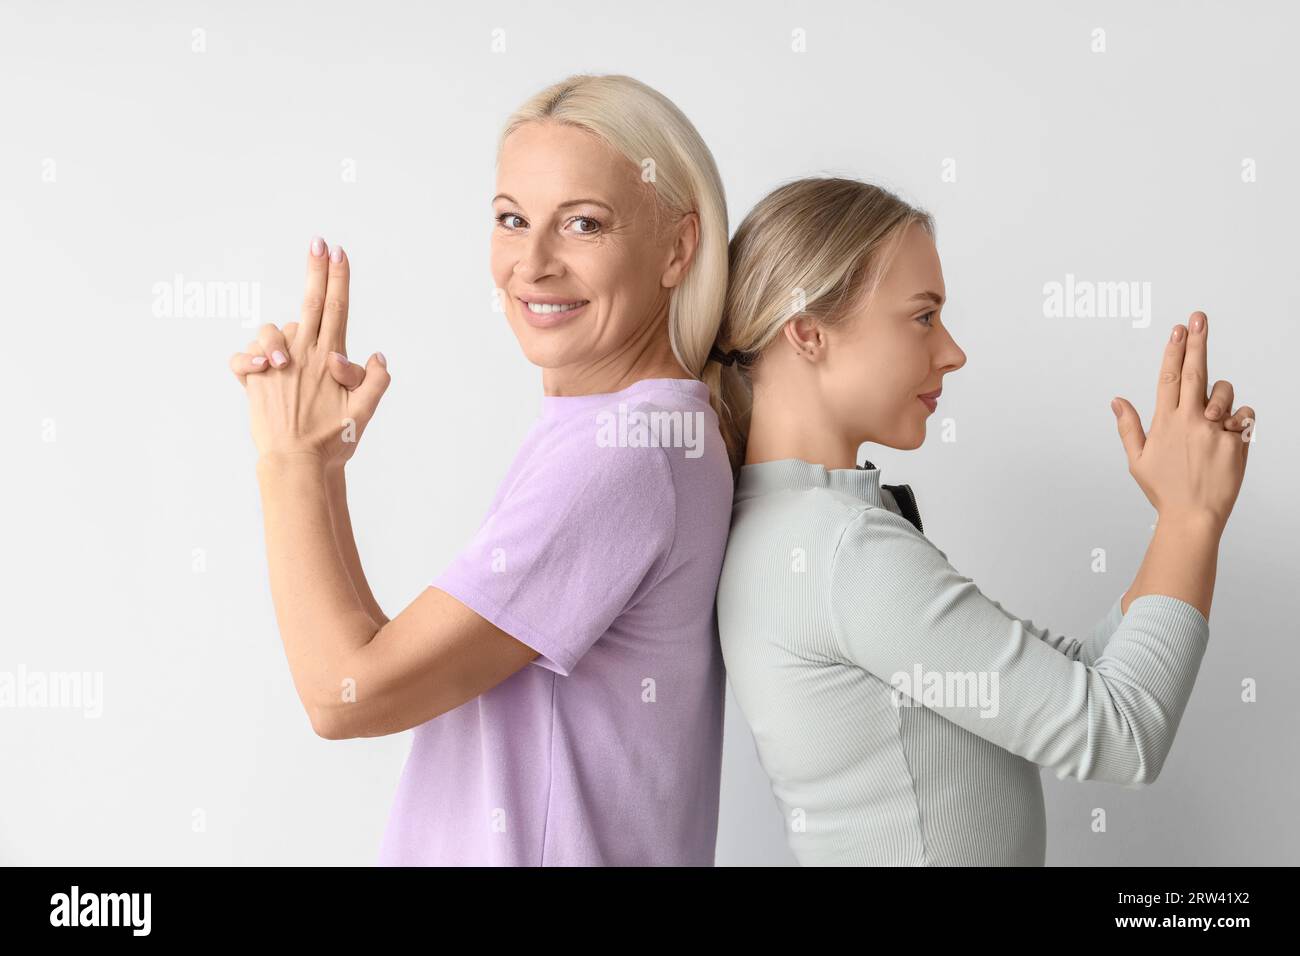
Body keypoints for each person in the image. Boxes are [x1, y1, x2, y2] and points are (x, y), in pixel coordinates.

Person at [227, 74, 735, 865]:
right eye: (511, 219)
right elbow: (390, 662)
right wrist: (323, 466)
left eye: (583, 224)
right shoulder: (636, 433)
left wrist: (284, 459)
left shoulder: (624, 455)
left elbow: (344, 695)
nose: (532, 263)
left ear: (678, 249)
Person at [709, 176, 1255, 865]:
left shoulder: (809, 525)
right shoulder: (838, 548)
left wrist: (1179, 516)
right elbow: (1121, 734)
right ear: (809, 333)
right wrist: (1191, 518)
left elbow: (1085, 678)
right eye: (923, 316)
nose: (953, 352)